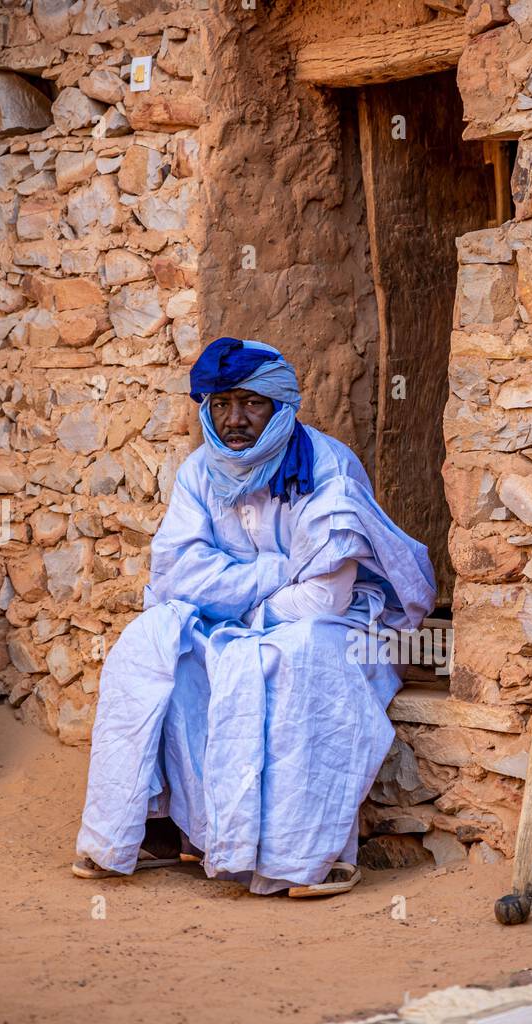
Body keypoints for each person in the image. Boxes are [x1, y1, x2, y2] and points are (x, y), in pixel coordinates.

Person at [72, 337, 435, 896]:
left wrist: (242, 602)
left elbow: (323, 600)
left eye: (250, 403)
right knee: (150, 643)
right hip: (233, 621)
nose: (234, 419)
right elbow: (178, 576)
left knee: (298, 655)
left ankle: (304, 855)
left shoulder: (327, 469)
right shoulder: (200, 471)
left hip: (337, 630)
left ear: (281, 405)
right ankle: (169, 830)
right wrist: (278, 570)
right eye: (221, 404)